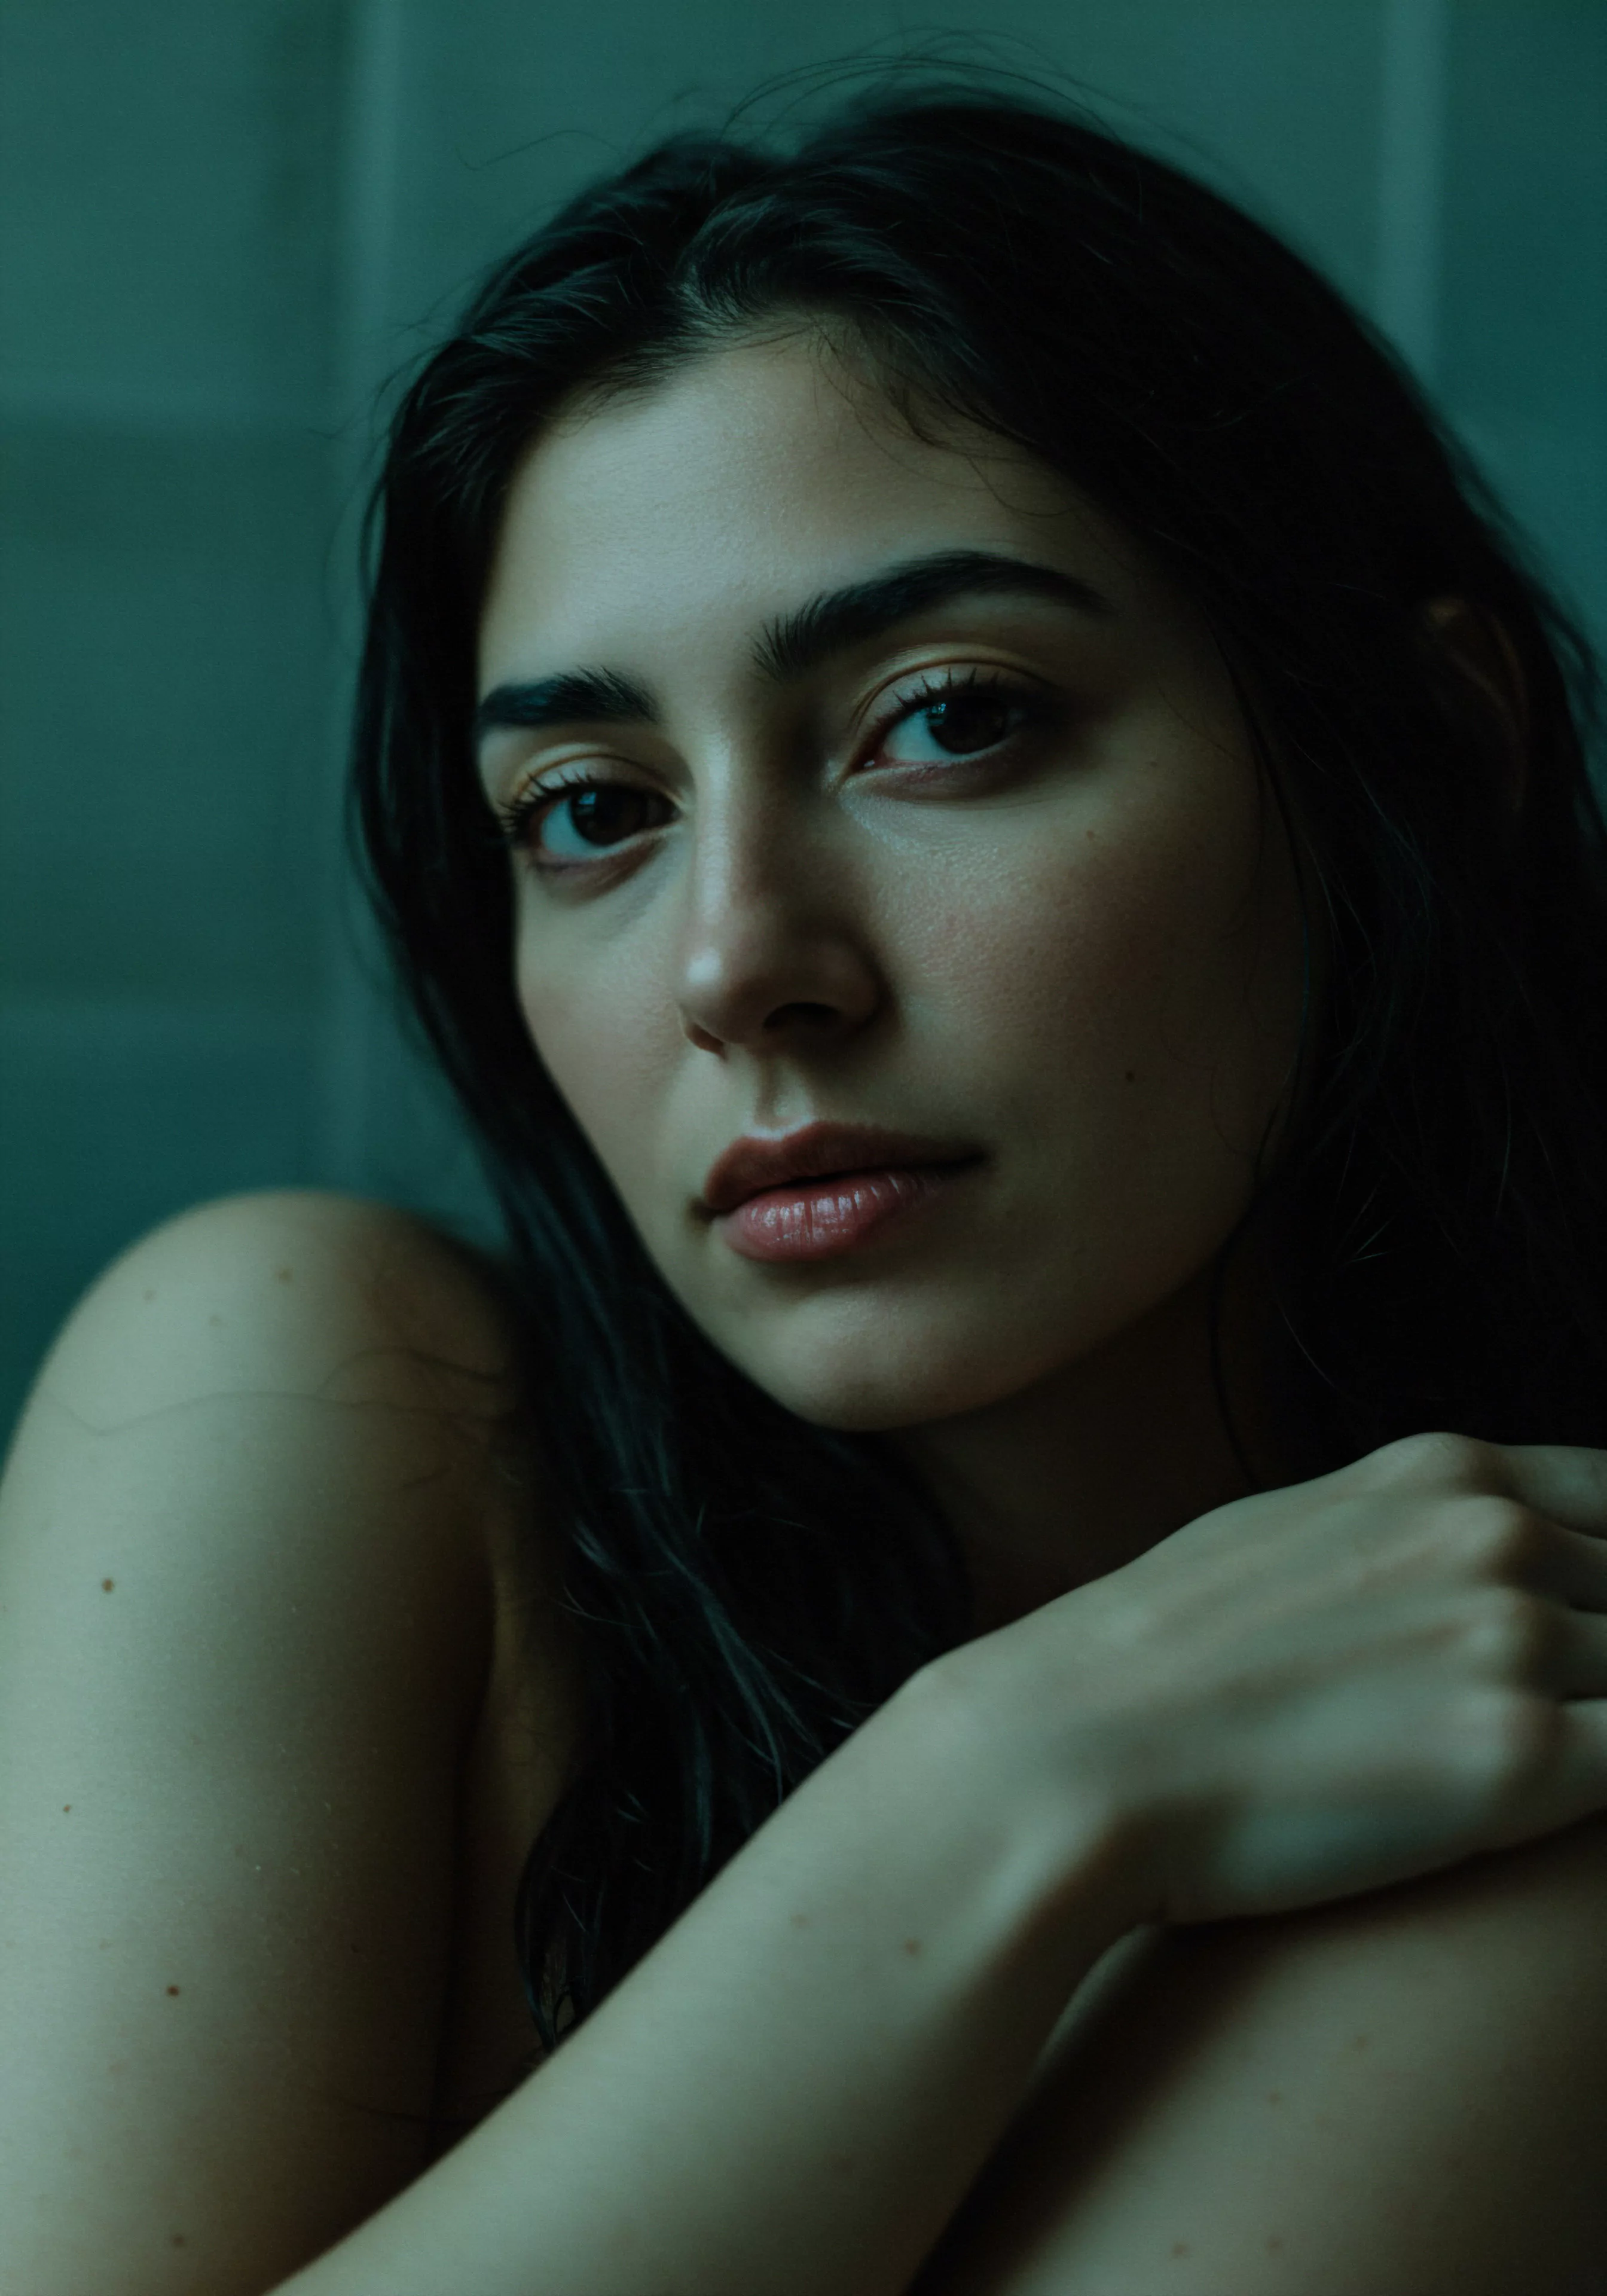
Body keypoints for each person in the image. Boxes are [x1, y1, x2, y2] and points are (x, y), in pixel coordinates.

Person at [4, 64, 1607, 2296]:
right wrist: (1005, 1791)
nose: (737, 965)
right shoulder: (310, 1400)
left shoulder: (1552, 1733)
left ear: (1432, 747)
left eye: (946, 716)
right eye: (589, 807)